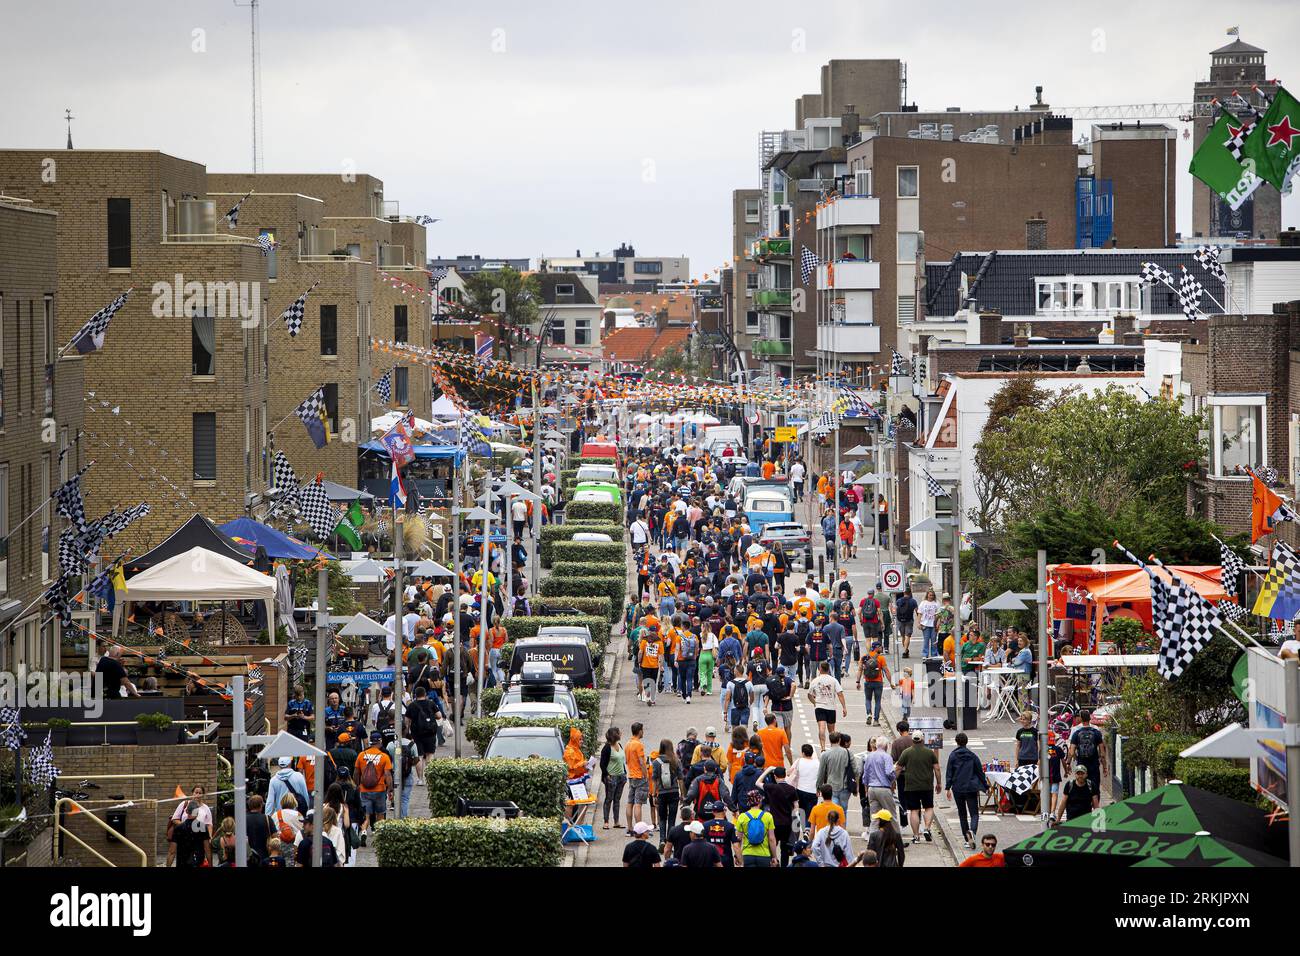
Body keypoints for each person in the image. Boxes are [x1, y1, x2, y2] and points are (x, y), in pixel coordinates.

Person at [945, 731, 989, 849]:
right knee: (974, 813)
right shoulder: (973, 756)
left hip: (958, 788)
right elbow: (980, 772)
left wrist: (947, 787)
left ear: (956, 742)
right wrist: (985, 787)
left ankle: (966, 838)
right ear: (966, 742)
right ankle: (972, 833)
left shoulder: (953, 756)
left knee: (962, 813)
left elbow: (949, 772)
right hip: (971, 787)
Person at [895, 731, 940, 844]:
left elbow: (898, 768)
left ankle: (916, 836)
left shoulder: (906, 752)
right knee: (928, 807)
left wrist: (893, 781)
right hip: (926, 785)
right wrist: (939, 783)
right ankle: (927, 828)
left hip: (911, 785)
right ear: (922, 739)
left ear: (913, 740)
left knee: (914, 810)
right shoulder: (929, 752)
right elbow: (937, 768)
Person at [354, 732, 393, 835]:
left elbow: (356, 773)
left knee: (366, 814)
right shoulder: (384, 756)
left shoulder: (362, 755)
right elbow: (388, 775)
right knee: (380, 814)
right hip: (380, 789)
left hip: (364, 790)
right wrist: (390, 789)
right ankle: (379, 835)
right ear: (380, 742)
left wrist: (357, 785)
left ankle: (363, 831)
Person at [861, 735, 899, 834]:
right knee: (891, 814)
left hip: (872, 788)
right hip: (883, 788)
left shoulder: (869, 756)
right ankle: (896, 839)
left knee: (874, 817)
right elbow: (889, 772)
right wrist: (893, 778)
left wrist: (866, 788)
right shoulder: (887, 757)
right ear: (886, 746)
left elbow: (865, 775)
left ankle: (873, 840)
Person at [1067, 709, 1108, 802]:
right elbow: (1102, 753)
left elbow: (1071, 751)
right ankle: (1096, 807)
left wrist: (1069, 762)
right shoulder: (1096, 732)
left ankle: (1085, 806)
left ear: (1081, 719)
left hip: (1081, 764)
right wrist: (1105, 767)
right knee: (1095, 786)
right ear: (1089, 718)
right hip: (1094, 764)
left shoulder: (1076, 733)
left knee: (1081, 785)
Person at [807, 661, 847, 749]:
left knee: (821, 728)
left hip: (820, 706)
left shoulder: (815, 680)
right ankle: (834, 747)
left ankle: (823, 748)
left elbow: (809, 694)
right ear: (828, 669)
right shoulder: (833, 680)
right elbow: (840, 694)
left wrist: (814, 702)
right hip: (831, 707)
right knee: (831, 730)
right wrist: (844, 707)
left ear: (820, 669)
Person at [736, 790, 779, 867]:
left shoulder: (742, 817)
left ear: (749, 802)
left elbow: (738, 840)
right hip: (764, 855)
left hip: (747, 855)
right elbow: (772, 839)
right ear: (760, 801)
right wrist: (774, 857)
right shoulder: (768, 816)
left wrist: (737, 856)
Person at [651, 739, 681, 845]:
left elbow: (654, 779)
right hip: (674, 792)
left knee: (662, 818)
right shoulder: (676, 760)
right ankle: (670, 841)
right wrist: (682, 794)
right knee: (672, 819)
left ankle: (662, 840)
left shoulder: (656, 762)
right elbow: (680, 779)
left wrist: (654, 794)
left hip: (662, 793)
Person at [855, 640, 892, 726]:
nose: (881, 648)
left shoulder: (864, 657)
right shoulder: (881, 658)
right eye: (880, 647)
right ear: (876, 648)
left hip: (868, 682)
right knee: (878, 701)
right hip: (878, 682)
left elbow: (860, 670)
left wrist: (858, 681)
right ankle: (876, 720)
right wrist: (890, 683)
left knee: (868, 699)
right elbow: (886, 671)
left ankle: (869, 714)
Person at [598, 727, 626, 831]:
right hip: (611, 777)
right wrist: (607, 775)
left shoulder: (619, 745)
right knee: (609, 799)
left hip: (621, 776)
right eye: (619, 732)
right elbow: (602, 764)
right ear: (615, 735)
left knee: (617, 799)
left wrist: (624, 773)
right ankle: (606, 822)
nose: (621, 733)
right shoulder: (607, 748)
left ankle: (616, 821)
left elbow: (621, 761)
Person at [624, 721, 649, 835]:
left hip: (631, 776)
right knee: (638, 803)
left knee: (630, 802)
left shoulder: (628, 744)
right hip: (639, 776)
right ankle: (640, 829)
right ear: (639, 731)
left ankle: (629, 828)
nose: (643, 732)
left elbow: (626, 760)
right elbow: (641, 762)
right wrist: (646, 775)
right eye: (642, 730)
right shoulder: (638, 745)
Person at [789, 743, 820, 822]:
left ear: (803, 753)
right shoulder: (817, 763)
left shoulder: (799, 761)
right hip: (813, 791)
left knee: (801, 811)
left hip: (800, 790)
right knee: (810, 813)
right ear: (812, 753)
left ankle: (802, 828)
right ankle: (807, 829)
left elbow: (789, 773)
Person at [917, 589, 940, 658]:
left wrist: (938, 624)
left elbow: (938, 615)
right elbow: (920, 613)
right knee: (926, 640)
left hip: (933, 625)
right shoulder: (923, 603)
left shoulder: (936, 603)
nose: (931, 596)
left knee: (934, 640)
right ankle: (925, 654)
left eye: (932, 595)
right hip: (925, 624)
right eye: (930, 595)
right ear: (927, 595)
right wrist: (918, 623)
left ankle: (934, 654)